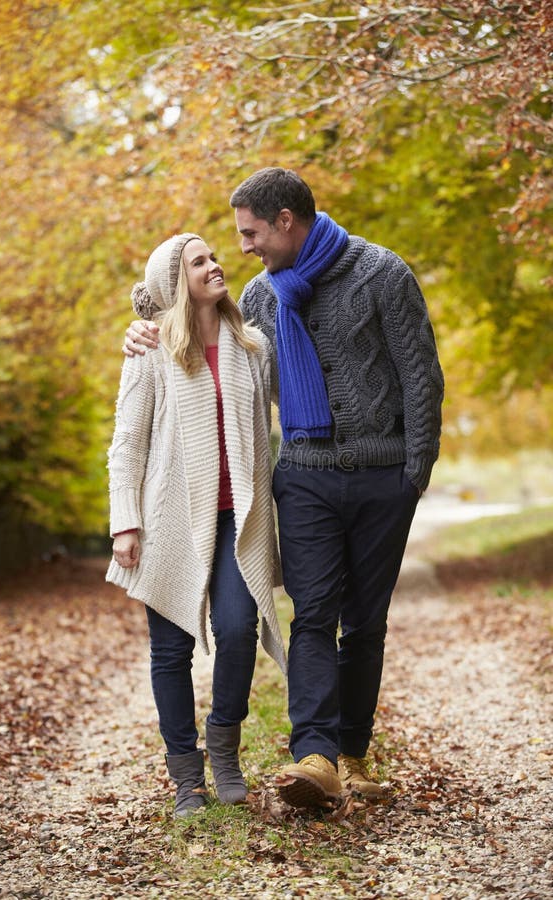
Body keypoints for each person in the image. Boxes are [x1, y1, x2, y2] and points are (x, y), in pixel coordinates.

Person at [123, 168, 444, 810]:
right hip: (303, 477)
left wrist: (414, 474)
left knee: (366, 622)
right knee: (314, 614)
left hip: (383, 476)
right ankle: (315, 756)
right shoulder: (261, 296)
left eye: (250, 233)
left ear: (285, 222)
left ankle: (351, 753)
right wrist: (141, 324)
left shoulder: (382, 273)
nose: (242, 247)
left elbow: (421, 377)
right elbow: (201, 338)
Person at [107, 232, 286, 818]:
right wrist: (125, 523)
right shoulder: (150, 352)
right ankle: (187, 778)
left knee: (237, 630)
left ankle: (225, 748)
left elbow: (284, 413)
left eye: (213, 256)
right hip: (169, 520)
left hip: (240, 517)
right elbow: (128, 444)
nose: (215, 265)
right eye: (199, 262)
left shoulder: (252, 345)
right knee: (170, 651)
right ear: (174, 283)